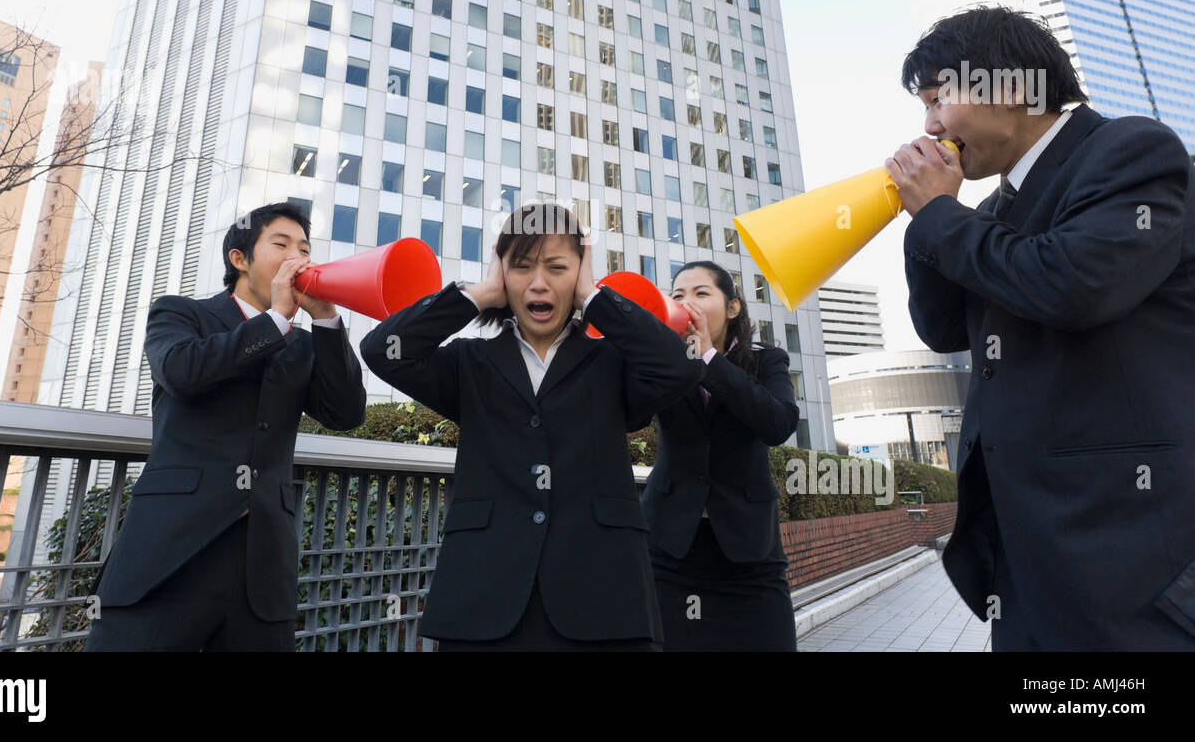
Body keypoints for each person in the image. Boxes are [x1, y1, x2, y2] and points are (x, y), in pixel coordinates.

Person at [889, 5, 1195, 650]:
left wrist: (943, 216)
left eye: (939, 96)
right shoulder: (996, 205)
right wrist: (927, 220)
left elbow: (1075, 285)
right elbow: (943, 329)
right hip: (1027, 551)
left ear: (1012, 86)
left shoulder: (1132, 150)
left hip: (1129, 553)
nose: (929, 124)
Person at [361, 203, 703, 650]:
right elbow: (383, 350)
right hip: (484, 600)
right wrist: (478, 294)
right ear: (502, 273)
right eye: (521, 267)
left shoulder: (613, 364)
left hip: (603, 598)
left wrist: (594, 298)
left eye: (558, 267)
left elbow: (681, 366)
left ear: (580, 274)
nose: (539, 283)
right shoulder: (470, 364)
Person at [86, 202, 367, 651]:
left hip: (262, 565)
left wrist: (328, 319)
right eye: (281, 244)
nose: (299, 256)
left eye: (305, 248)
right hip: (169, 554)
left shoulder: (306, 344)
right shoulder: (180, 314)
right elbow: (182, 372)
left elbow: (346, 413)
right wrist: (274, 319)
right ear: (240, 259)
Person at [640, 260, 800, 651]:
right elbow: (631, 414)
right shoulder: (665, 361)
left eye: (701, 293)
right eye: (678, 295)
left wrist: (709, 357)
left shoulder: (767, 360)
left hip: (750, 551)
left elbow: (778, 424)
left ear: (733, 308)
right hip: (670, 545)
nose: (687, 302)